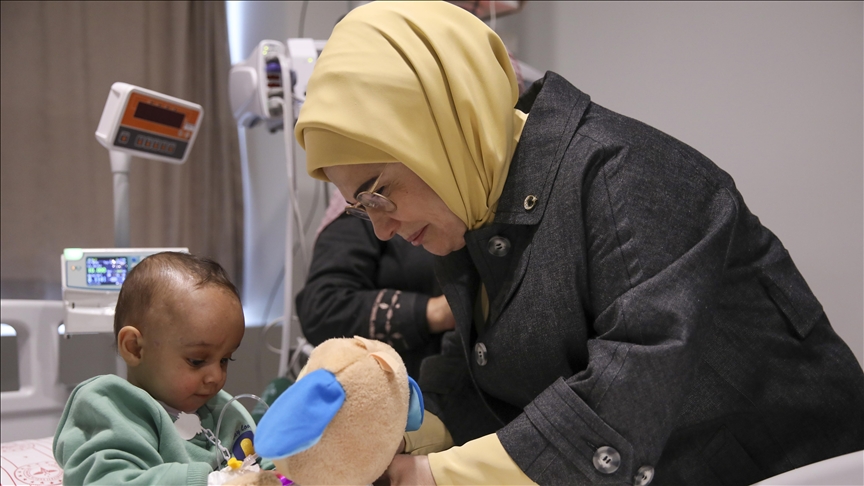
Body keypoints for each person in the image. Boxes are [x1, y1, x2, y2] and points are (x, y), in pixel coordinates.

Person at [292, 2, 864, 485]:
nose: (383, 229)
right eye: (360, 208)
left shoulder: (630, 179)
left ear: (437, 133)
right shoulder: (478, 200)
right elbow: (479, 382)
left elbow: (617, 413)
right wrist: (382, 425)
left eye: (378, 193)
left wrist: (433, 475)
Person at [53, 252, 276, 485]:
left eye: (225, 359)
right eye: (197, 361)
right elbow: (107, 479)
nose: (216, 377)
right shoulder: (111, 408)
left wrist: (279, 474)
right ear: (135, 348)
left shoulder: (223, 412)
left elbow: (261, 463)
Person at [296, 187, 454, 380]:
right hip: (404, 389)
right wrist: (437, 313)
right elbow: (321, 309)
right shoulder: (361, 209)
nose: (383, 230)